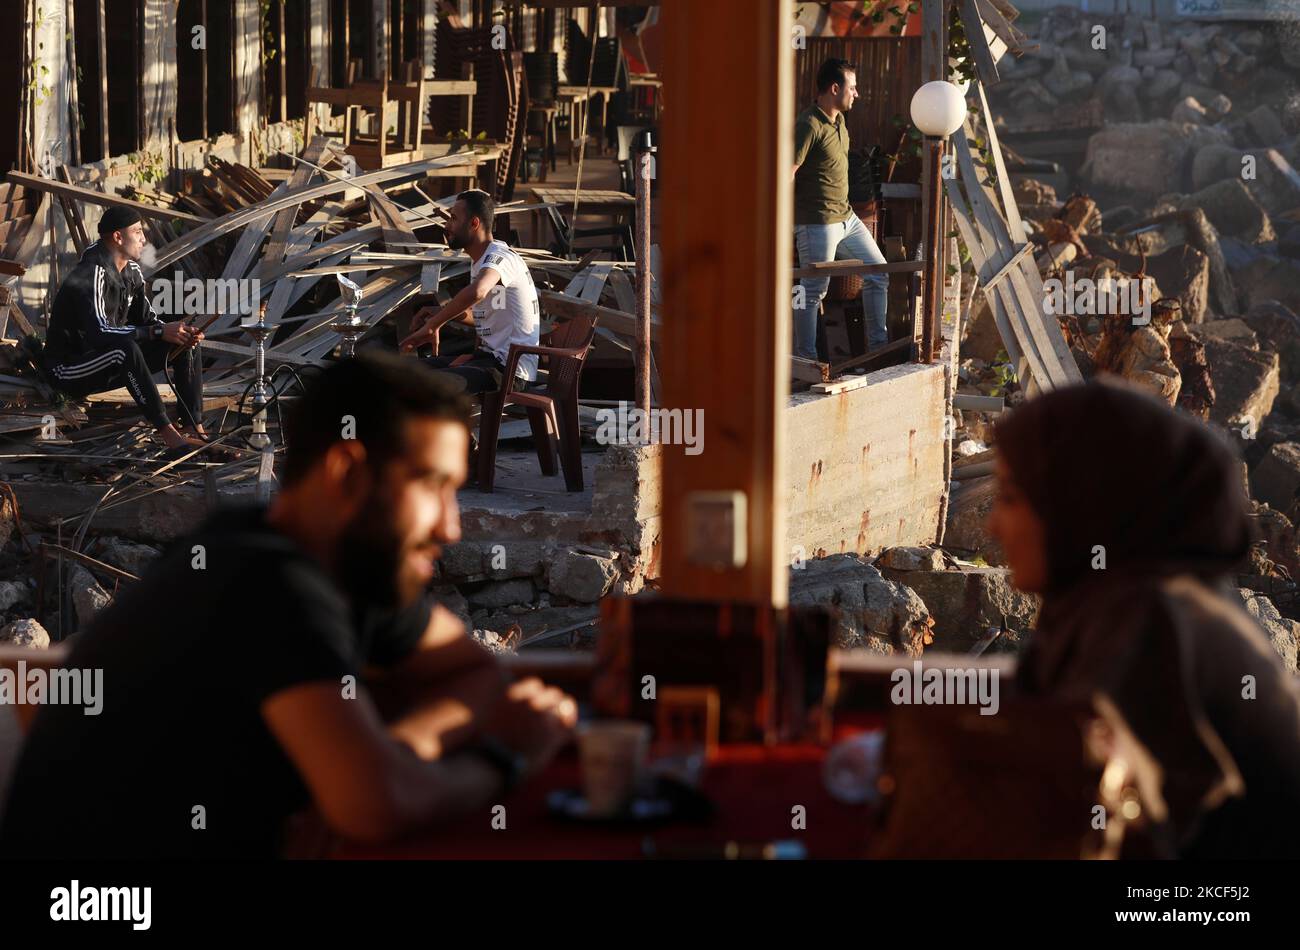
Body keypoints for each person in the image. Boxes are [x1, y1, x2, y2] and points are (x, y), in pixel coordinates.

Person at [0, 354, 577, 858]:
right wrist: (504, 759)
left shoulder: (342, 567)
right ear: (347, 472)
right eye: (432, 485)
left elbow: (469, 669)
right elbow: (376, 807)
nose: (451, 526)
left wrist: (399, 749)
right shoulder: (266, 581)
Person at [987, 380, 1300, 859]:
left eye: (1010, 498)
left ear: (1077, 503)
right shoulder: (1119, 591)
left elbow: (1129, 827)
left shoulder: (1149, 618)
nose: (991, 526)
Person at [42, 207, 208, 450]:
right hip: (69, 370)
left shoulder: (132, 272)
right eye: (138, 232)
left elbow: (148, 320)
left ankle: (194, 427)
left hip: (106, 364)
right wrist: (158, 332)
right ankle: (170, 435)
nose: (144, 239)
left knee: (184, 343)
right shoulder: (92, 273)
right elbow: (99, 333)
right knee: (124, 349)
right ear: (118, 237)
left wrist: (175, 331)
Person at [792, 57, 889, 361]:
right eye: (853, 87)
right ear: (835, 88)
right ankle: (805, 363)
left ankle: (877, 351)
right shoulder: (808, 124)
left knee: (879, 273)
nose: (856, 93)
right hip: (818, 223)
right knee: (811, 293)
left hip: (847, 218)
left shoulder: (839, 121)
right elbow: (787, 171)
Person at [399, 190, 540, 395]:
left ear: (474, 224)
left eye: (454, 219)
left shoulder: (499, 258)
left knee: (425, 385)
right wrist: (439, 314)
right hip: (488, 360)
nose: (447, 226)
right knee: (402, 372)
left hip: (510, 371)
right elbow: (490, 315)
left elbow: (478, 292)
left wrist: (434, 324)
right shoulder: (482, 261)